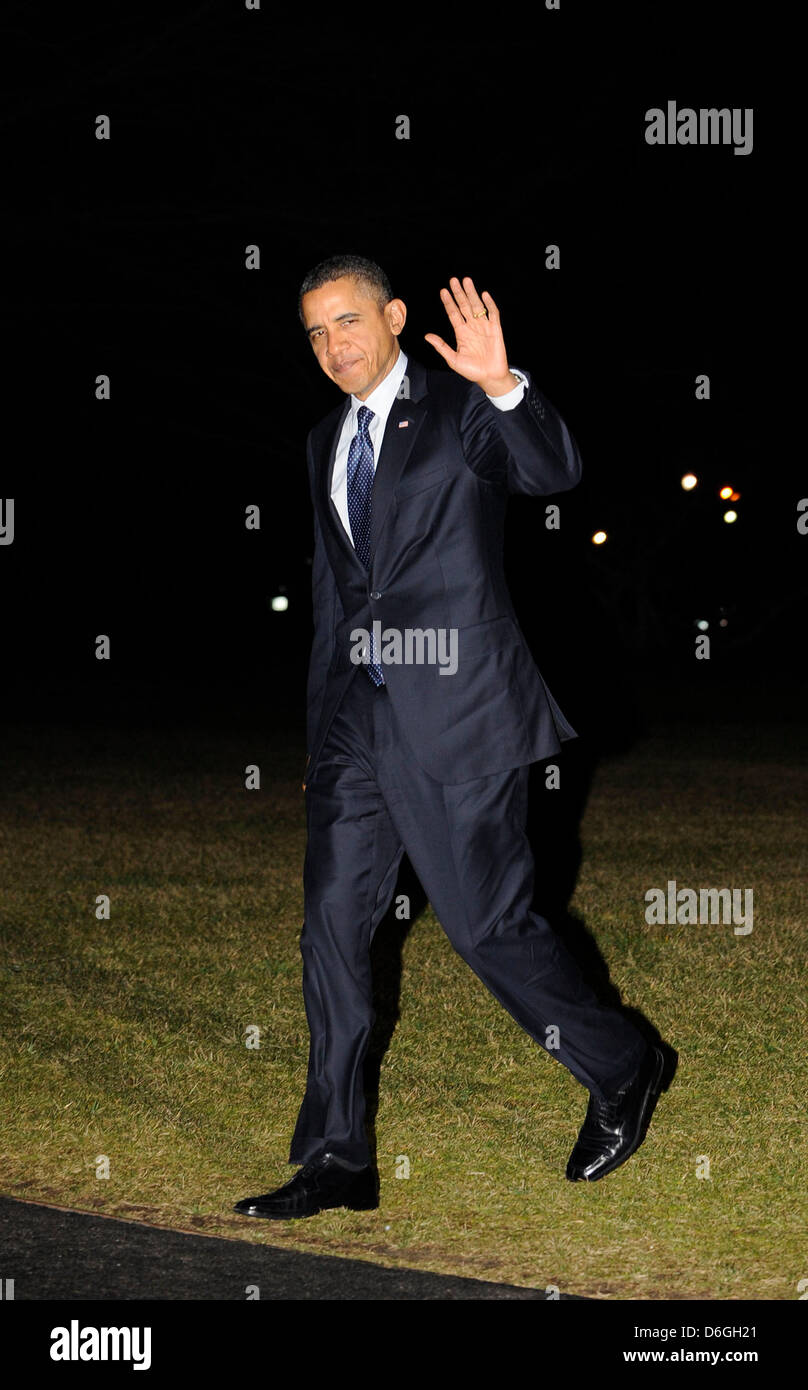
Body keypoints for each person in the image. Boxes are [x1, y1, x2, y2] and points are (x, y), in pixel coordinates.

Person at [234, 255, 667, 1221]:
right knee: (332, 937)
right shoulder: (321, 440)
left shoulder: (459, 409)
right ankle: (338, 1158)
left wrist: (503, 385)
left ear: (392, 317)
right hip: (357, 724)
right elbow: (335, 600)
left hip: (461, 714)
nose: (332, 346)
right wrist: (320, 736)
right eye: (313, 333)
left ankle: (624, 1064)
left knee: (487, 930)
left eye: (347, 322)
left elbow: (556, 470)